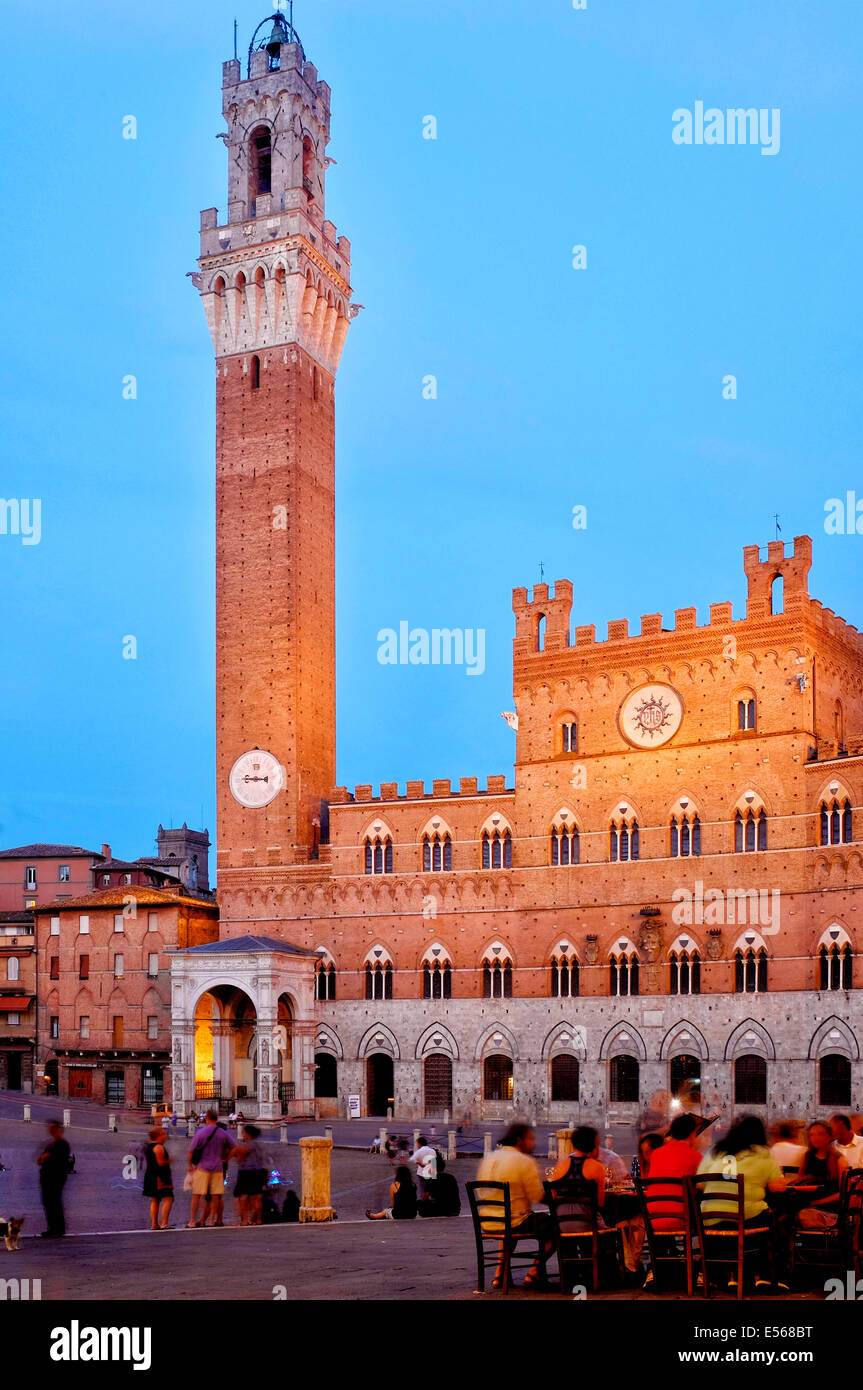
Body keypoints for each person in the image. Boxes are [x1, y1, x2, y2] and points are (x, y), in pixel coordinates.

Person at [697, 1115, 787, 1290]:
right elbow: (777, 1187)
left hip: (710, 1218)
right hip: (745, 1218)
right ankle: (766, 1275)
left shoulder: (715, 1150)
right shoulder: (763, 1153)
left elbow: (700, 1183)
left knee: (755, 1216)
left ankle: (734, 1275)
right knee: (777, 1219)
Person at [550, 1125, 643, 1279]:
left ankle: (571, 1274)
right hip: (587, 1223)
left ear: (573, 1144)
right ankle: (607, 1271)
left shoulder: (560, 1165)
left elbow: (553, 1197)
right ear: (595, 1143)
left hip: (561, 1225)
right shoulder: (596, 1168)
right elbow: (599, 1203)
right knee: (611, 1225)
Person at [477, 1123, 547, 1288]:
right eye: (531, 1139)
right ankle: (534, 1272)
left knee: (512, 1218)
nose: (533, 1143)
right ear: (520, 1140)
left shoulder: (489, 1158)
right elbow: (537, 1196)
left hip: (488, 1221)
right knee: (555, 1226)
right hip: (513, 1221)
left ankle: (499, 1274)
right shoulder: (524, 1161)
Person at [791, 1121, 848, 1228]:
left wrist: (816, 1202)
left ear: (829, 1136)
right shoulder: (807, 1156)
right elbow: (800, 1182)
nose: (815, 1138)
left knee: (800, 1215)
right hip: (806, 1203)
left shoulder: (839, 1160)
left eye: (820, 1134)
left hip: (828, 1208)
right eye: (812, 1135)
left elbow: (843, 1194)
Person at [187, 1109, 235, 1228]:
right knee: (215, 1195)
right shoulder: (223, 1133)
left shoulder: (201, 1133)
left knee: (196, 1194)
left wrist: (190, 1166)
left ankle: (192, 1221)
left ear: (206, 1118)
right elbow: (234, 1147)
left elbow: (191, 1151)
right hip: (218, 1168)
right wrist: (226, 1159)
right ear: (216, 1119)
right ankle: (211, 1221)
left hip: (202, 1168)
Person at [36, 1121, 72, 1238]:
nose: (49, 1130)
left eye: (52, 1128)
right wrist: (45, 1158)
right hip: (48, 1177)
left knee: (54, 1202)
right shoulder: (52, 1144)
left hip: (55, 1178)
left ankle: (58, 1229)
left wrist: (46, 1158)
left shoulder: (61, 1144)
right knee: (49, 1202)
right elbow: (40, 1160)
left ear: (58, 1130)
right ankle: (53, 1228)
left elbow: (48, 1159)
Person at [230, 1123, 268, 1226]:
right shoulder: (258, 1144)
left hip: (247, 1172)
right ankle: (258, 1219)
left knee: (243, 1196)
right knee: (256, 1197)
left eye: (243, 1132)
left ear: (247, 1133)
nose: (242, 1133)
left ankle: (244, 1220)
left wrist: (232, 1154)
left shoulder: (248, 1144)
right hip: (258, 1172)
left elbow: (240, 1157)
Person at [143, 1127, 174, 1230]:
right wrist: (169, 1160)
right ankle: (164, 1223)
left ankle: (154, 1224)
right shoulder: (159, 1147)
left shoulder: (149, 1146)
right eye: (164, 1134)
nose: (166, 1136)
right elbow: (160, 1163)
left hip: (150, 1175)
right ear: (158, 1136)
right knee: (168, 1198)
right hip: (160, 1176)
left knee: (155, 1199)